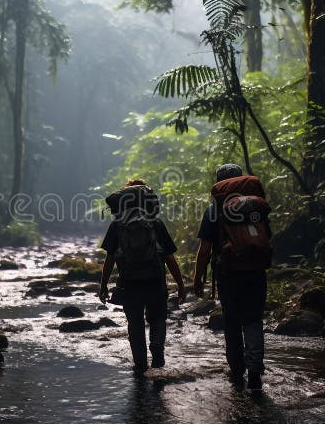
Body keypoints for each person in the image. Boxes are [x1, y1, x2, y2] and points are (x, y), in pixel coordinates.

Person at [193, 164, 271, 392]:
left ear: (219, 183)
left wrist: (198, 278)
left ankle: (237, 371)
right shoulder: (257, 206)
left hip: (227, 274)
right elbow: (267, 237)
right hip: (256, 270)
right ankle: (255, 372)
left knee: (232, 322)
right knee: (254, 320)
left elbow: (205, 249)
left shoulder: (213, 210)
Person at [99, 179, 186, 374]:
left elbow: (110, 259)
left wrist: (103, 286)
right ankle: (156, 348)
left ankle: (140, 364)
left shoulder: (117, 225)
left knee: (135, 324)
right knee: (157, 319)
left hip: (129, 284)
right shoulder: (155, 223)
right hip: (155, 281)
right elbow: (169, 257)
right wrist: (180, 284)